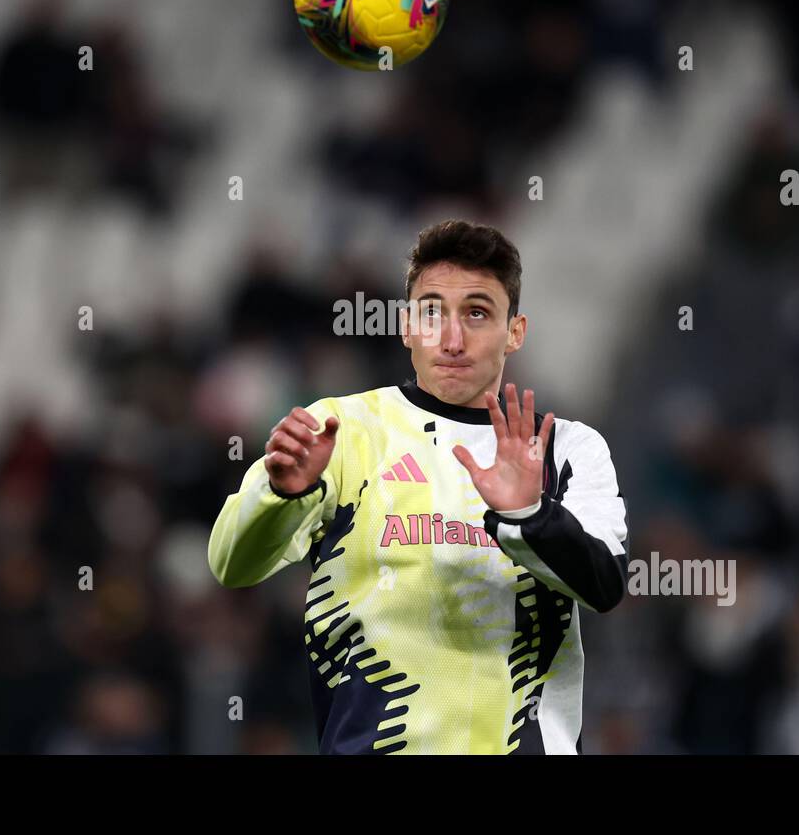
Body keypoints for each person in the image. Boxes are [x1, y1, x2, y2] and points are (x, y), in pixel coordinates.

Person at [208, 219, 629, 753]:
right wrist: (282, 494)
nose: (452, 339)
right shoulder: (338, 430)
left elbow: (605, 586)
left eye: (477, 313)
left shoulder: (565, 447)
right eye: (433, 313)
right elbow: (230, 564)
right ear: (407, 325)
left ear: (515, 331)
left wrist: (528, 515)